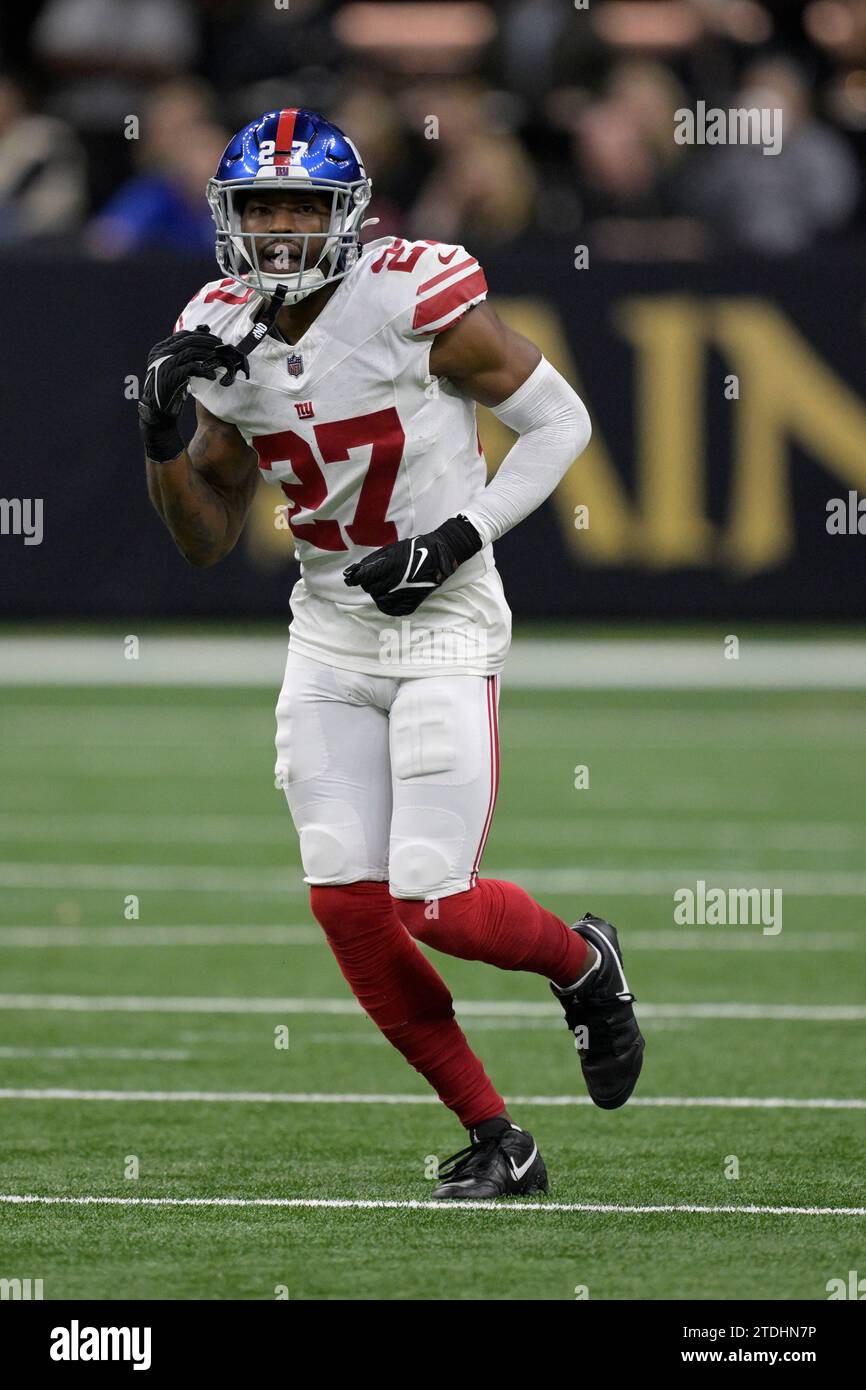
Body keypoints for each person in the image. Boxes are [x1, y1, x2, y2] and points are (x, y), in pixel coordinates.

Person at [140, 107, 645, 1200]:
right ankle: (496, 1137)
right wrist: (163, 436)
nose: (278, 230)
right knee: (345, 901)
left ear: (346, 217)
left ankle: (582, 964)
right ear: (229, 218)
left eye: (300, 208)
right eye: (259, 208)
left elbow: (560, 424)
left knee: (435, 900)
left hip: (445, 619)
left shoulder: (411, 294)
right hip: (328, 626)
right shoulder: (217, 325)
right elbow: (203, 536)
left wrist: (454, 537)